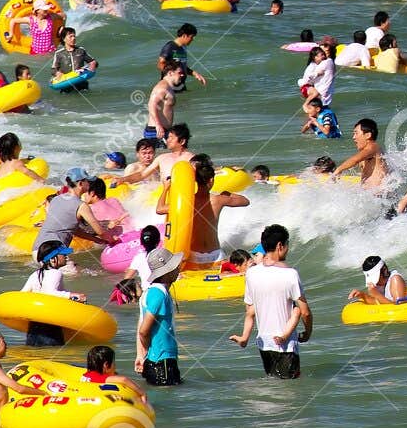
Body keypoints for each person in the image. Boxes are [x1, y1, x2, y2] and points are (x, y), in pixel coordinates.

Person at [229, 224, 312, 379]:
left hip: (264, 343)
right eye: (287, 245)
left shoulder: (251, 274)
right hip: (285, 346)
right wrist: (307, 333)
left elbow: (250, 310)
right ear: (280, 246)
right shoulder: (290, 274)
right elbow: (305, 312)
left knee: (273, 382)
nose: (287, 249)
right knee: (289, 391)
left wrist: (244, 337)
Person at [164, 154, 250, 268]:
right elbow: (245, 201)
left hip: (194, 256)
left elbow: (160, 209)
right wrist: (226, 193)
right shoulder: (219, 199)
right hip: (216, 255)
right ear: (211, 180)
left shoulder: (187, 203)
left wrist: (166, 189)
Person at [21, 242, 85, 347]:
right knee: (52, 355)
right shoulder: (56, 273)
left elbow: (23, 294)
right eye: (62, 254)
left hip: (34, 324)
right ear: (52, 259)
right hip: (50, 324)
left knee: (36, 356)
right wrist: (73, 295)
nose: (66, 256)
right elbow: (50, 293)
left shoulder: (36, 274)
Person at [136, 245, 184, 386]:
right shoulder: (158, 294)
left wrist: (143, 354)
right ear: (166, 272)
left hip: (162, 359)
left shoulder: (155, 291)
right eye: (175, 266)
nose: (178, 269)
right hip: (161, 362)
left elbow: (141, 325)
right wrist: (148, 352)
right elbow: (143, 330)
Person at [331, 118, 388, 187]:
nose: (353, 137)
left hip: (380, 196)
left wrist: (338, 170)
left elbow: (355, 160)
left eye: (356, 133)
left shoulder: (373, 147)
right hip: (369, 194)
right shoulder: (366, 152)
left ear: (368, 135)